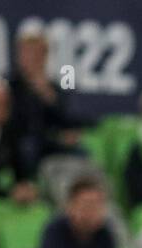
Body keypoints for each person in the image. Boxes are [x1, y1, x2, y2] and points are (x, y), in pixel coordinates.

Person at [8, 28, 83, 164]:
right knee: (28, 148)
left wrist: (48, 95)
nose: (33, 58)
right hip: (19, 142)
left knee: (81, 153)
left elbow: (68, 120)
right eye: (28, 52)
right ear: (19, 55)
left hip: (51, 142)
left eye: (38, 53)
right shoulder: (7, 86)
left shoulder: (54, 88)